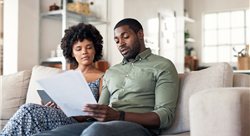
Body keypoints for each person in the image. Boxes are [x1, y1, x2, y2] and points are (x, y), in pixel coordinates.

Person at [33, 18, 179, 136]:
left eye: (125, 37)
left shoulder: (162, 66)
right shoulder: (112, 72)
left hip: (140, 128)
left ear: (140, 34)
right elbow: (97, 112)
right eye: (116, 41)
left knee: (95, 131)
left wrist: (119, 116)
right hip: (101, 125)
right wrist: (65, 107)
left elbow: (165, 116)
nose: (121, 43)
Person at [0, 23, 105, 136]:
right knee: (30, 115)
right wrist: (49, 106)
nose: (84, 52)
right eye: (78, 49)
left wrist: (71, 111)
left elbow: (101, 114)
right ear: (72, 53)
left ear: (95, 49)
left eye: (89, 47)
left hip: (78, 123)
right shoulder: (64, 76)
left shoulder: (102, 77)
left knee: (28, 109)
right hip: (58, 117)